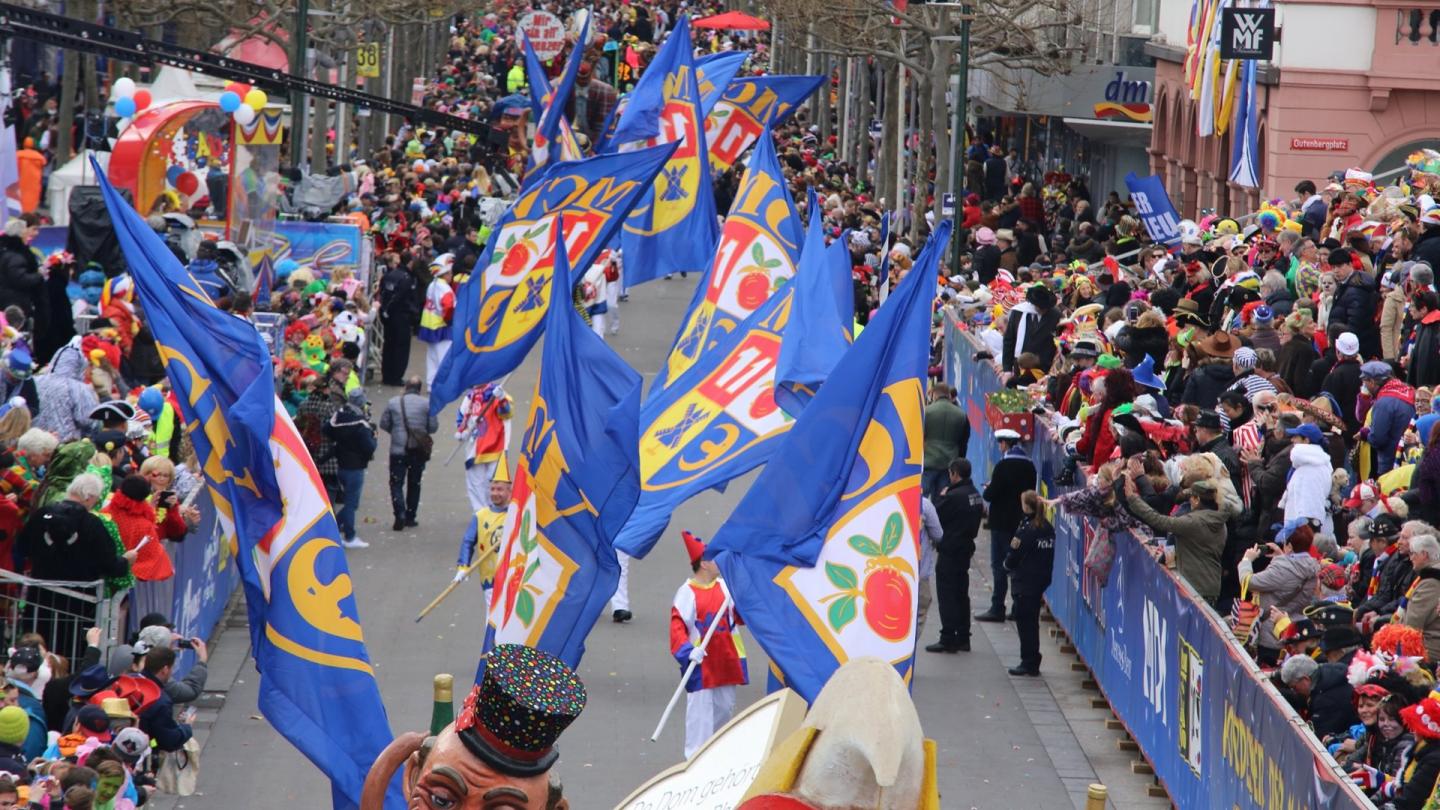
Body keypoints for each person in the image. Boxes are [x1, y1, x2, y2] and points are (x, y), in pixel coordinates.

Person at [669, 531, 746, 759]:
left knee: (724, 711)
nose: (719, 562)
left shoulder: (725, 587)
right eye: (714, 558)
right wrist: (688, 651)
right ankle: (694, 760)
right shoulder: (686, 593)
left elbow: (739, 616)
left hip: (727, 660)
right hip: (701, 665)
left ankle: (718, 757)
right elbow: (677, 628)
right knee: (700, 718)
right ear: (703, 563)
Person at [1122, 476, 1228, 605]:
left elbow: (1158, 520)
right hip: (1212, 586)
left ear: (1197, 500)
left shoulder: (1192, 522)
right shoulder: (1221, 524)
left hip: (1193, 587)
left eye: (1191, 498)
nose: (1189, 500)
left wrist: (1133, 499)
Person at [1239, 525, 1321, 665]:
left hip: (1270, 635)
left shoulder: (1283, 568)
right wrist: (1282, 556)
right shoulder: (1312, 566)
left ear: (1289, 545)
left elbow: (1249, 581)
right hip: (1293, 629)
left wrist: (1246, 560)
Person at [927, 458, 984, 653]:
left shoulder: (953, 496)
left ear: (954, 474)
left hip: (950, 548)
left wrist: (942, 496)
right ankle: (963, 636)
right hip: (966, 547)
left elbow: (935, 516)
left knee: (947, 594)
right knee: (961, 593)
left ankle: (948, 637)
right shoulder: (975, 494)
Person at [979, 429, 1034, 622]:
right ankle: (1018, 607)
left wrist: (988, 488)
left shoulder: (1002, 466)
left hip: (1001, 522)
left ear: (1004, 444)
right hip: (1021, 523)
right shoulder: (1029, 466)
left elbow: (990, 494)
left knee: (999, 565)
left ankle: (997, 607)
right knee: (1018, 565)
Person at [1004, 491, 1055, 676]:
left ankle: (1029, 661)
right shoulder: (1047, 528)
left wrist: (1007, 565)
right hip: (1040, 579)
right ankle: (1031, 659)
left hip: (1025, 581)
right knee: (1031, 621)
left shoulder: (1027, 529)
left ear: (1027, 507)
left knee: (1025, 623)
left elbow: (1014, 554)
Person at [379, 377, 439, 532]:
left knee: (396, 483)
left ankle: (399, 513)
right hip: (417, 450)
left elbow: (384, 423)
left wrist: (396, 432)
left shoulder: (393, 402)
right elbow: (433, 427)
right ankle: (410, 517)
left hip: (398, 450)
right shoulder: (427, 404)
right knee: (415, 483)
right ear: (420, 388)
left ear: (406, 387)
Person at [325, 397, 378, 549]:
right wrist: (374, 439)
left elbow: (326, 429)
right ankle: (349, 535)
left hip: (341, 465)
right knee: (351, 503)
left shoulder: (339, 419)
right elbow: (369, 447)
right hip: (355, 468)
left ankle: (333, 527)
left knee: (350, 502)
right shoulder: (361, 425)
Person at [455, 382, 513, 514]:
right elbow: (461, 417)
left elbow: (507, 413)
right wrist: (461, 431)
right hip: (474, 449)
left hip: (495, 447)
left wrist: (502, 398)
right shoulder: (469, 398)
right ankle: (480, 515)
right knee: (475, 484)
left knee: (494, 483)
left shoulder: (497, 394)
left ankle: (496, 511)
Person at [455, 456, 509, 589]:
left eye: (500, 489)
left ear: (510, 491)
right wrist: (463, 566)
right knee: (492, 610)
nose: (495, 493)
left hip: (513, 579)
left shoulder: (517, 515)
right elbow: (468, 541)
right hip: (490, 579)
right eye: (493, 489)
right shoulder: (480, 516)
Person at [1361, 360, 1416, 476]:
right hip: (1410, 459)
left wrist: (1366, 434)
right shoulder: (1409, 390)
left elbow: (1378, 439)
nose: (1363, 385)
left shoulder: (1383, 402)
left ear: (1372, 381)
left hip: (1390, 464)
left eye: (1364, 381)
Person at [135, 647, 191, 753]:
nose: (172, 672)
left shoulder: (129, 679)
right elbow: (168, 741)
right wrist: (186, 728)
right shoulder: (161, 701)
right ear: (165, 670)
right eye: (171, 668)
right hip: (145, 750)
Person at [921, 384, 968, 500]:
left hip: (928, 462)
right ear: (948, 394)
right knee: (943, 499)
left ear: (934, 394)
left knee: (922, 501)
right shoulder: (961, 415)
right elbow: (963, 442)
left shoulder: (926, 412)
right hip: (949, 464)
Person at [377, 258, 418, 387]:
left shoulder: (389, 275)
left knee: (389, 345)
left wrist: (385, 311)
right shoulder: (406, 278)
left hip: (388, 316)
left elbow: (383, 293)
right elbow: (402, 298)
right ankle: (396, 377)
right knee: (401, 347)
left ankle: (387, 375)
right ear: (409, 263)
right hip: (401, 316)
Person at [418, 254, 456, 389]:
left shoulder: (432, 285)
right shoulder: (445, 288)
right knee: (444, 357)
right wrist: (449, 321)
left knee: (432, 357)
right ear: (445, 274)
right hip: (441, 326)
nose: (451, 275)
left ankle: (431, 384)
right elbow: (449, 307)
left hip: (429, 325)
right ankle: (443, 385)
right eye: (450, 273)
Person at [4, 647, 47, 759]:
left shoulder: (5, 689)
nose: (16, 704)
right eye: (12, 700)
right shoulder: (32, 709)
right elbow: (32, 748)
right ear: (36, 673)